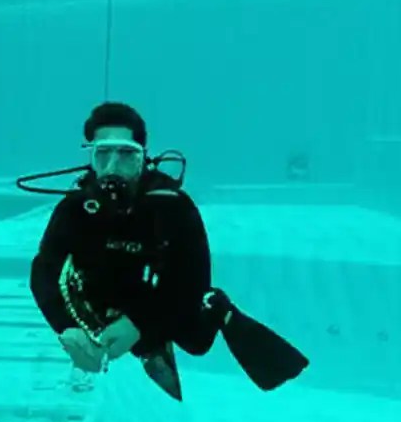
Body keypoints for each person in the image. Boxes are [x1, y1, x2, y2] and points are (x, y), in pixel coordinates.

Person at [27, 102, 308, 399]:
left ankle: (220, 314)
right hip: (99, 302)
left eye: (126, 155)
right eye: (103, 155)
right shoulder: (75, 209)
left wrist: (140, 324)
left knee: (196, 338)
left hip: (157, 300)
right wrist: (67, 327)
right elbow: (45, 271)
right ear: (91, 158)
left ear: (143, 158)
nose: (112, 168)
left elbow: (193, 280)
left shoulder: (172, 207)